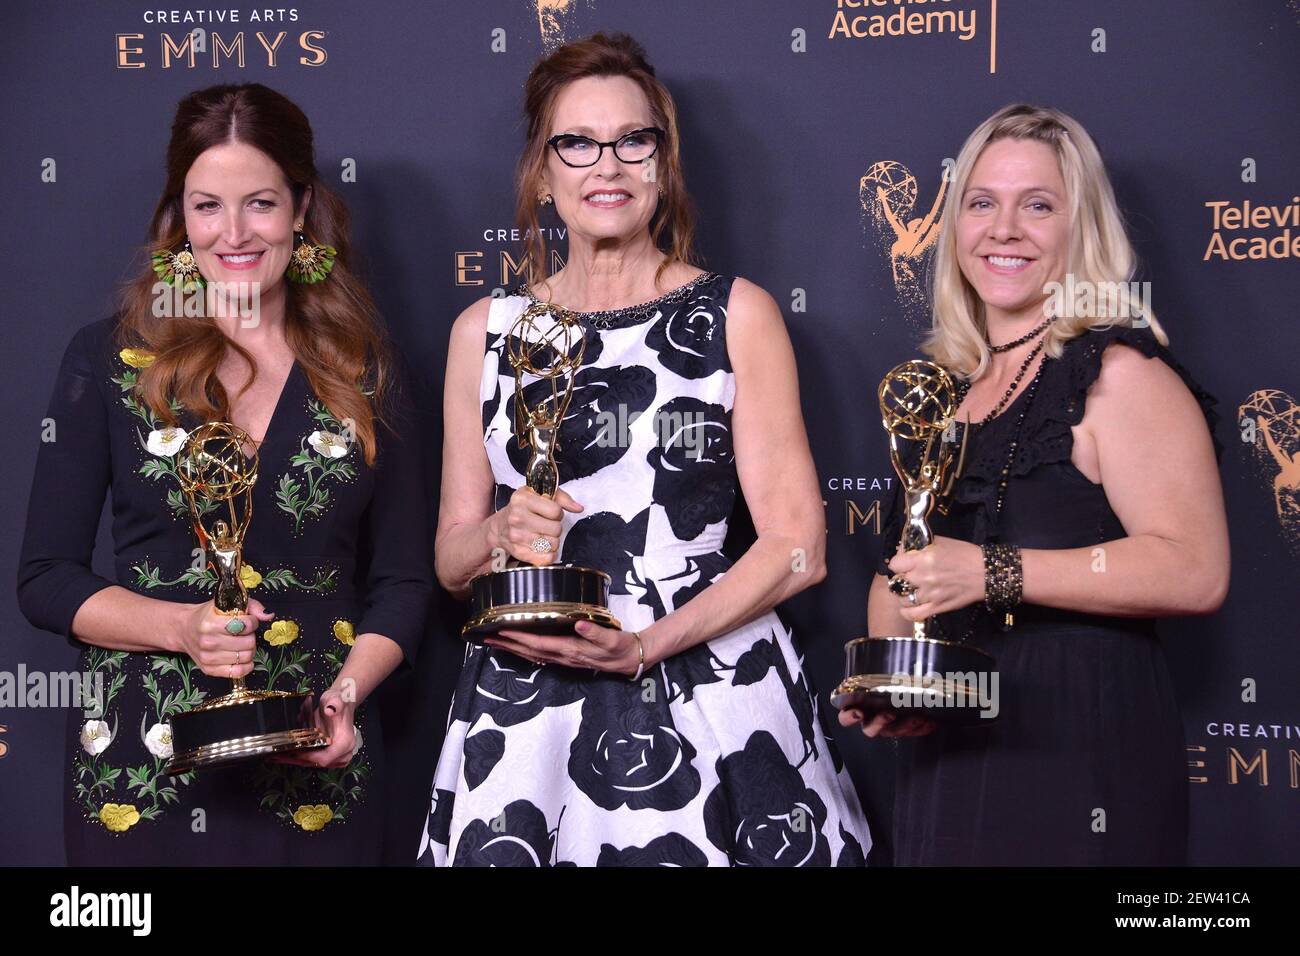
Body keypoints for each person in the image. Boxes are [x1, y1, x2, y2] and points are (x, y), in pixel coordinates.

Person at [418, 33, 870, 867]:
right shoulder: (482, 333)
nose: (608, 166)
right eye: (577, 144)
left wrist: (643, 647)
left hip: (710, 688)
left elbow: (799, 550)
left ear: (662, 164)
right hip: (528, 707)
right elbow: (451, 561)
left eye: (634, 141)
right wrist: (497, 535)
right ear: (542, 172)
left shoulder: (739, 315)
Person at [17, 83, 431, 865]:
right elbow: (45, 579)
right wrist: (180, 629)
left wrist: (343, 701)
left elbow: (405, 582)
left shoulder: (369, 371)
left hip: (318, 757)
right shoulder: (107, 359)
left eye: (261, 204)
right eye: (207, 205)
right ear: (179, 215)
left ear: (303, 207)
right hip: (144, 765)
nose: (233, 233)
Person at [840, 104, 1229, 866]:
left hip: (1077, 750)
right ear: (955, 226)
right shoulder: (944, 392)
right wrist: (895, 687)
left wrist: (992, 572)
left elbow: (1195, 569)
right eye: (982, 203)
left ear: (1080, 230)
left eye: (1038, 206)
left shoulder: (1119, 375)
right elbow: (905, 573)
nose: (1004, 229)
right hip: (950, 758)